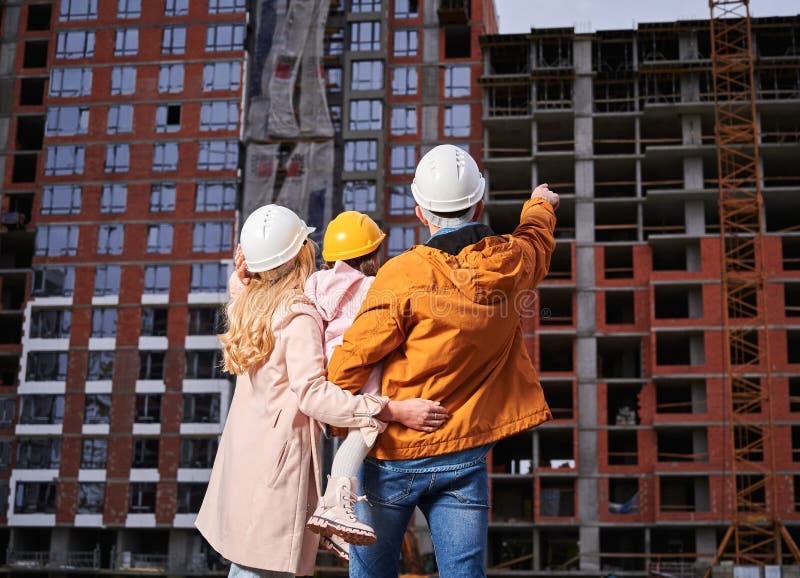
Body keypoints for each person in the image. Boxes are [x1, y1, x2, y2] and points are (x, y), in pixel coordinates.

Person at [326, 144, 560, 578]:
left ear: (420, 211)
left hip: (395, 455)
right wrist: (540, 204)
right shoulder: (512, 264)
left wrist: (342, 415)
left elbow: (353, 360)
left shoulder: (404, 275)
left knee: (371, 573)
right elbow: (536, 240)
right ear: (479, 202)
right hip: (465, 455)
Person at [195, 205, 447, 578]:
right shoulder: (298, 316)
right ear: (303, 253)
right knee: (260, 568)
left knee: (246, 562)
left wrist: (244, 274)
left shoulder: (249, 302)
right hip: (276, 473)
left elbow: (242, 288)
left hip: (244, 462)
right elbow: (313, 395)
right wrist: (390, 410)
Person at [303, 212, 450, 561]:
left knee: (358, 428)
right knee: (370, 424)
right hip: (360, 366)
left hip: (329, 372)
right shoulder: (374, 286)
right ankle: (336, 504)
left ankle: (337, 524)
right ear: (371, 256)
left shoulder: (314, 284)